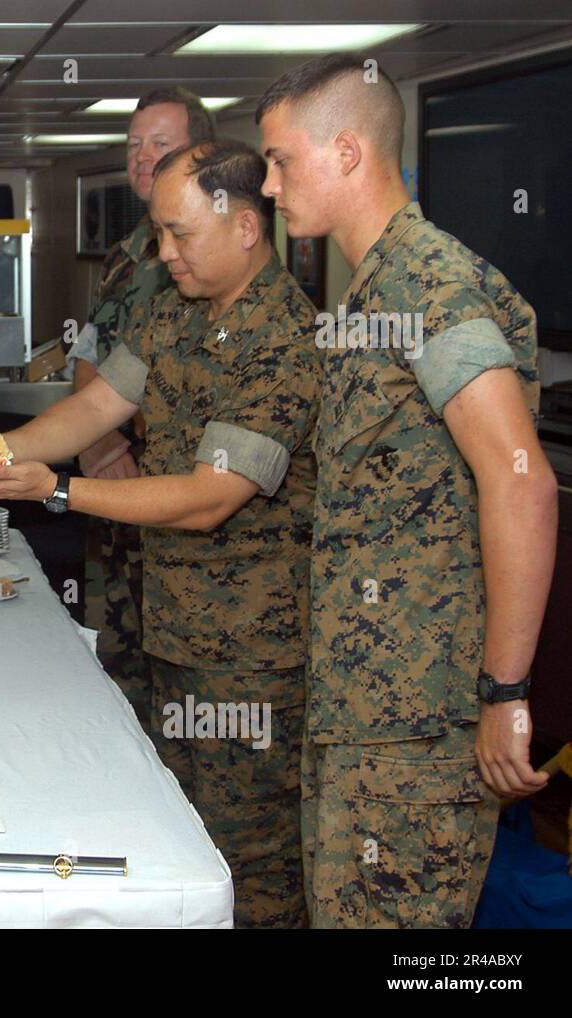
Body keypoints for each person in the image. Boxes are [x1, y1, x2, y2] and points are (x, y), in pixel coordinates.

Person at [0, 141, 320, 928]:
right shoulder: (173, 308)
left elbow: (206, 500)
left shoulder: (285, 339)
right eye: (157, 232)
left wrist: (58, 489)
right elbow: (95, 409)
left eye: (179, 234)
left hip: (250, 658)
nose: (163, 252)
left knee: (249, 859)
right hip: (172, 628)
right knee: (175, 827)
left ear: (247, 227)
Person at [256, 54, 558, 928]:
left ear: (347, 153)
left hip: (418, 727)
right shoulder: (369, 295)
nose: (269, 187)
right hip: (361, 709)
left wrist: (504, 694)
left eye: (281, 161)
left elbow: (523, 483)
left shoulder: (428, 287)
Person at [67, 88, 214, 719]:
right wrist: (100, 447)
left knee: (188, 688)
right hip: (116, 498)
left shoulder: (219, 253)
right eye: (134, 146)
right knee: (120, 667)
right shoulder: (123, 259)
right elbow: (87, 358)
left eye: (161, 143)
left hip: (193, 504)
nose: (144, 157)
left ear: (201, 153)